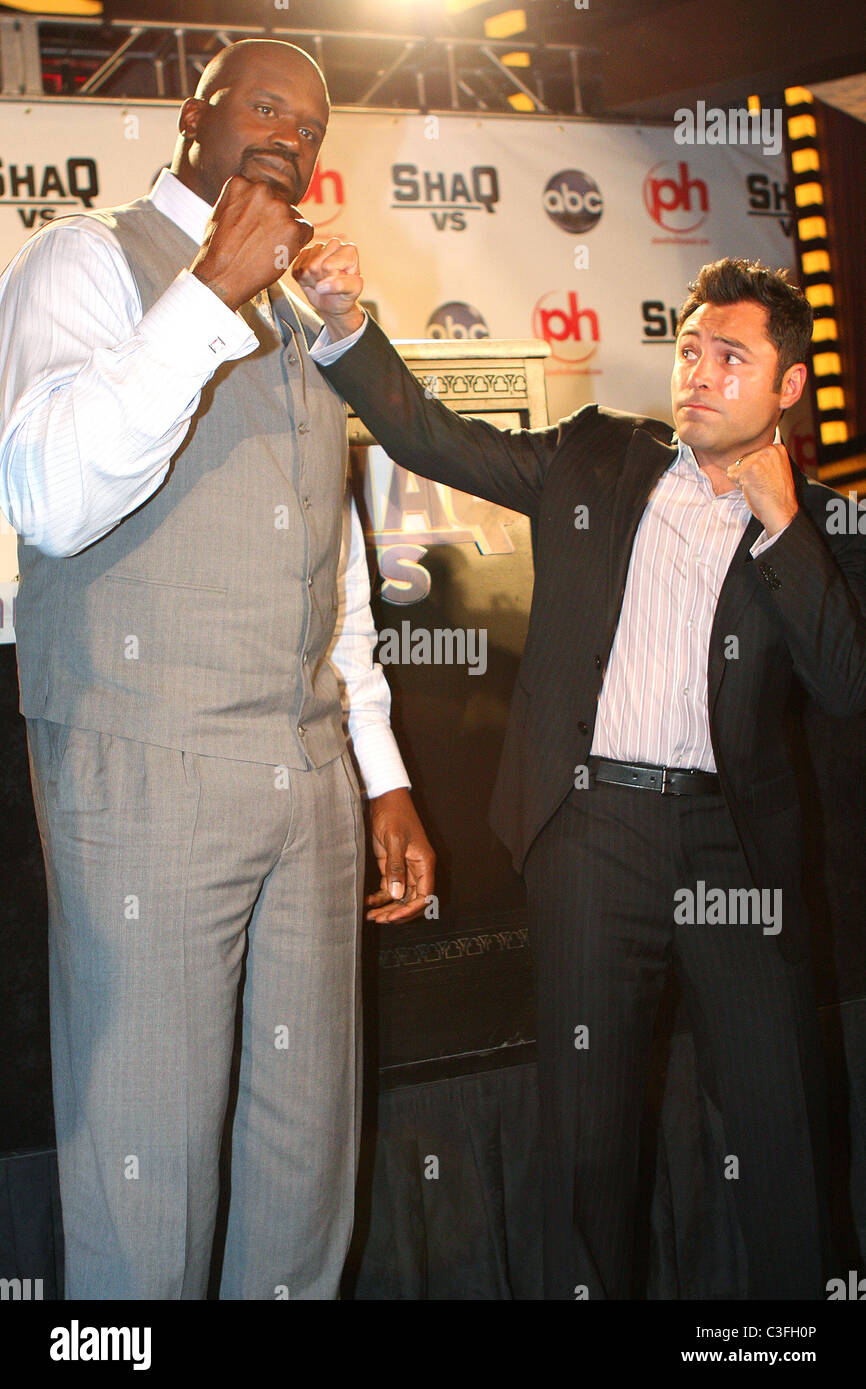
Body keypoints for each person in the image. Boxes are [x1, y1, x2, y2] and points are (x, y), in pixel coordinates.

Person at [295, 242, 866, 1299]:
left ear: (787, 385)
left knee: (780, 1127)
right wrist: (341, 318)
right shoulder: (598, 457)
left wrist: (783, 519)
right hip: (595, 835)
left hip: (732, 848)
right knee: (585, 1143)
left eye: (729, 358)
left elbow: (845, 685)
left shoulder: (824, 525)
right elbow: (430, 435)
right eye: (689, 349)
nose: (696, 371)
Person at [0, 39, 435, 1300]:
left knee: (307, 1166)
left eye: (308, 122)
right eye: (261, 106)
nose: (287, 136)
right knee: (148, 1169)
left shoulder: (306, 311)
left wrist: (382, 773)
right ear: (190, 117)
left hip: (305, 776)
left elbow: (333, 568)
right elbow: (46, 494)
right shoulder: (84, 259)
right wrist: (206, 294)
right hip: (147, 762)